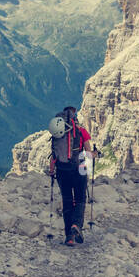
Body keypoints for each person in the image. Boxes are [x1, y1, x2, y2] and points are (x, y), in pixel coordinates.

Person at [48, 105, 96, 246]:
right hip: (79, 170)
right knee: (80, 199)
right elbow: (87, 153)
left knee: (67, 202)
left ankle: (69, 237)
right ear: (75, 117)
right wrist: (95, 154)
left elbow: (53, 155)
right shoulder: (81, 132)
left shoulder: (58, 133)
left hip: (62, 171)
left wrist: (52, 171)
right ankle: (76, 226)